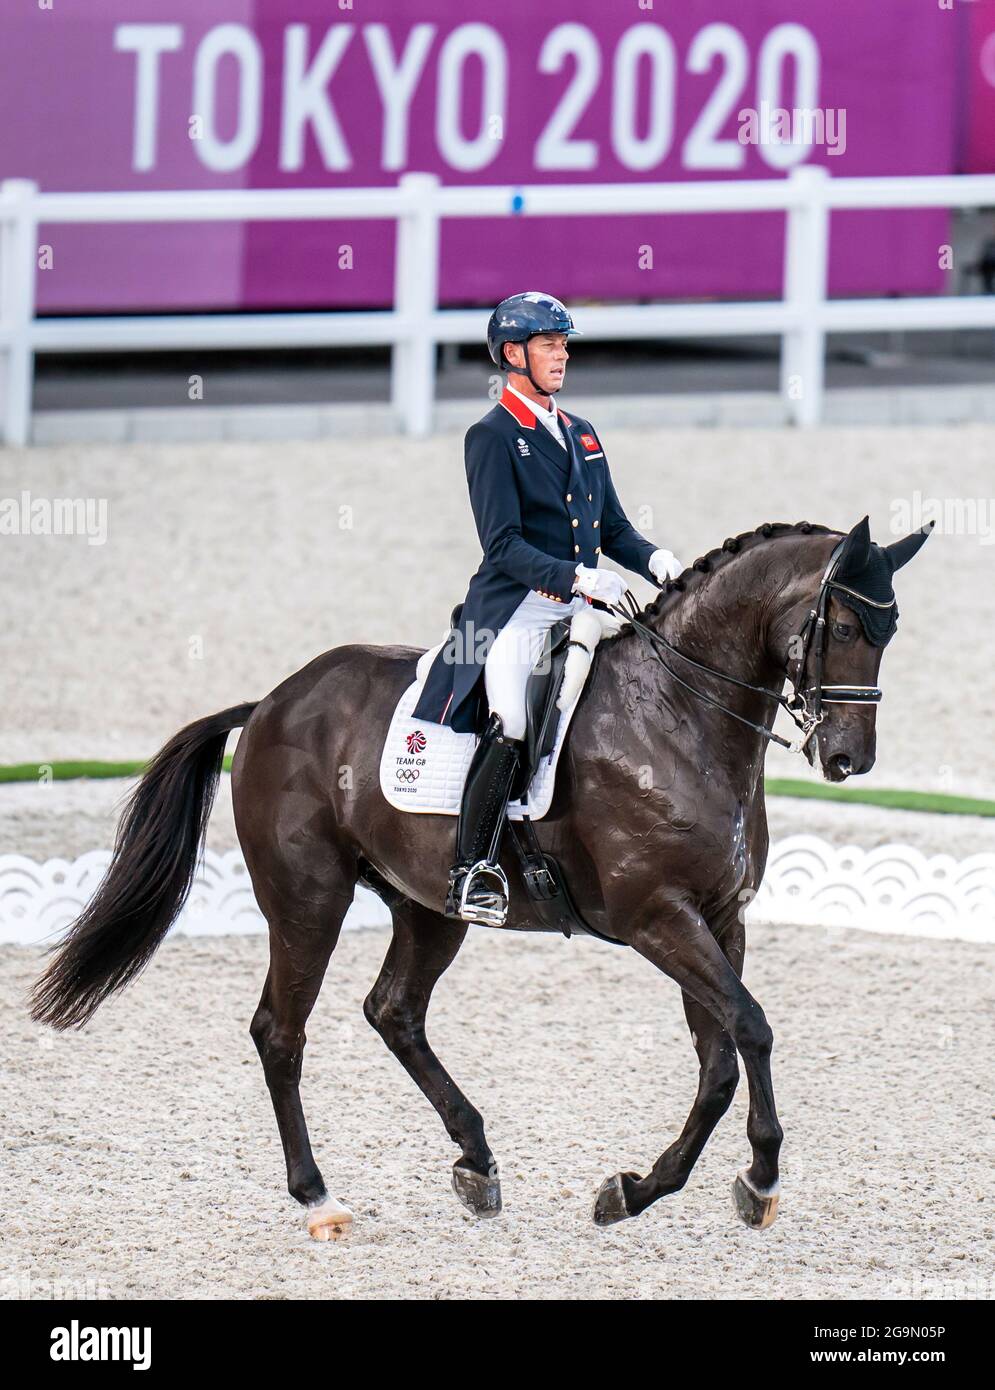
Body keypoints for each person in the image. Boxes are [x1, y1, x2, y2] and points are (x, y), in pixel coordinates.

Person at [411, 291, 683, 926]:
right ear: (513, 354)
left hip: (580, 604)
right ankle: (470, 870)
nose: (561, 354)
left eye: (564, 343)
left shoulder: (581, 432)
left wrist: (662, 562)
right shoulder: (492, 437)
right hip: (514, 612)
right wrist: (580, 578)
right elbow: (502, 546)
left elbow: (615, 528)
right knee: (510, 716)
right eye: (548, 344)